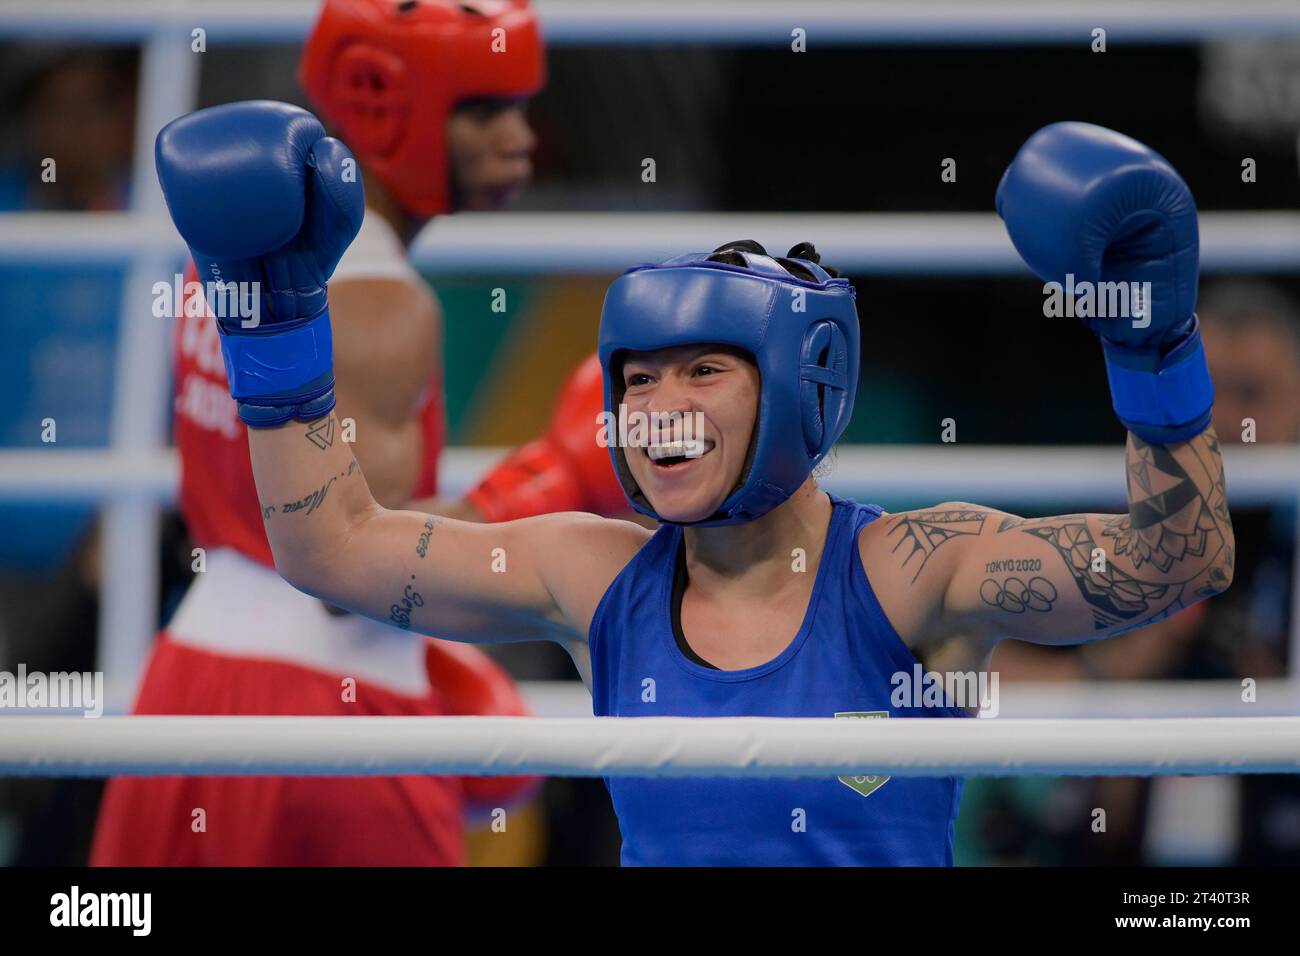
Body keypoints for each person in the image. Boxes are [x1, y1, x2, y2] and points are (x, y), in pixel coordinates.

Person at [154, 104, 1234, 865]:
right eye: (636, 376)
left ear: (803, 386)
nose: (657, 402)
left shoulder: (915, 570)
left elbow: (1178, 558)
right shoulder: (594, 572)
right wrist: (277, 326)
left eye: (703, 368)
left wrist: (1155, 349)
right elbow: (328, 549)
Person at [92, 0, 626, 867]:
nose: (521, 137)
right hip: (327, 708)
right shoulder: (382, 304)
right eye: (485, 109)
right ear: (386, 103)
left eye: (523, 105)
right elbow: (351, 569)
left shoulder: (238, 246)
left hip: (191, 676)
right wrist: (556, 478)